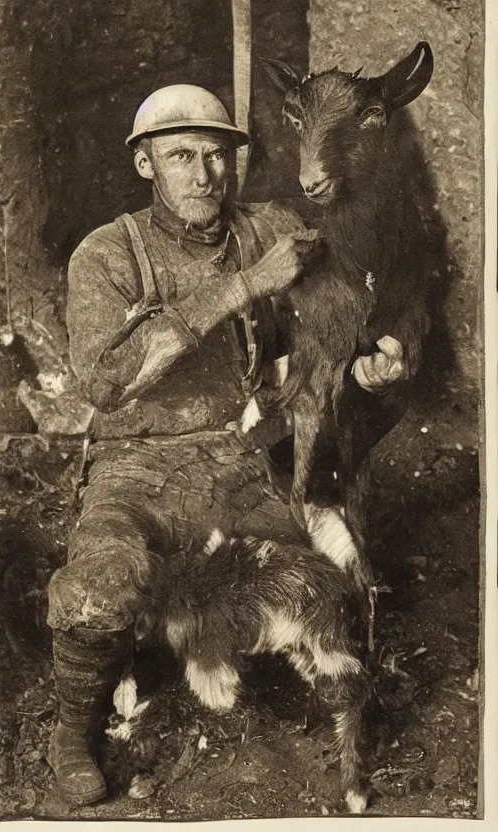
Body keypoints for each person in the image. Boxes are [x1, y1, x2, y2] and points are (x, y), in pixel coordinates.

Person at [46, 84, 405, 807]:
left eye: (218, 155)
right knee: (96, 593)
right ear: (146, 164)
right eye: (182, 156)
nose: (206, 174)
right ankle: (69, 734)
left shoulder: (266, 225)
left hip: (236, 462)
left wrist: (370, 365)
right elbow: (107, 385)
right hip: (134, 465)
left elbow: (324, 324)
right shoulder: (109, 253)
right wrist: (243, 286)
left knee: (326, 584)